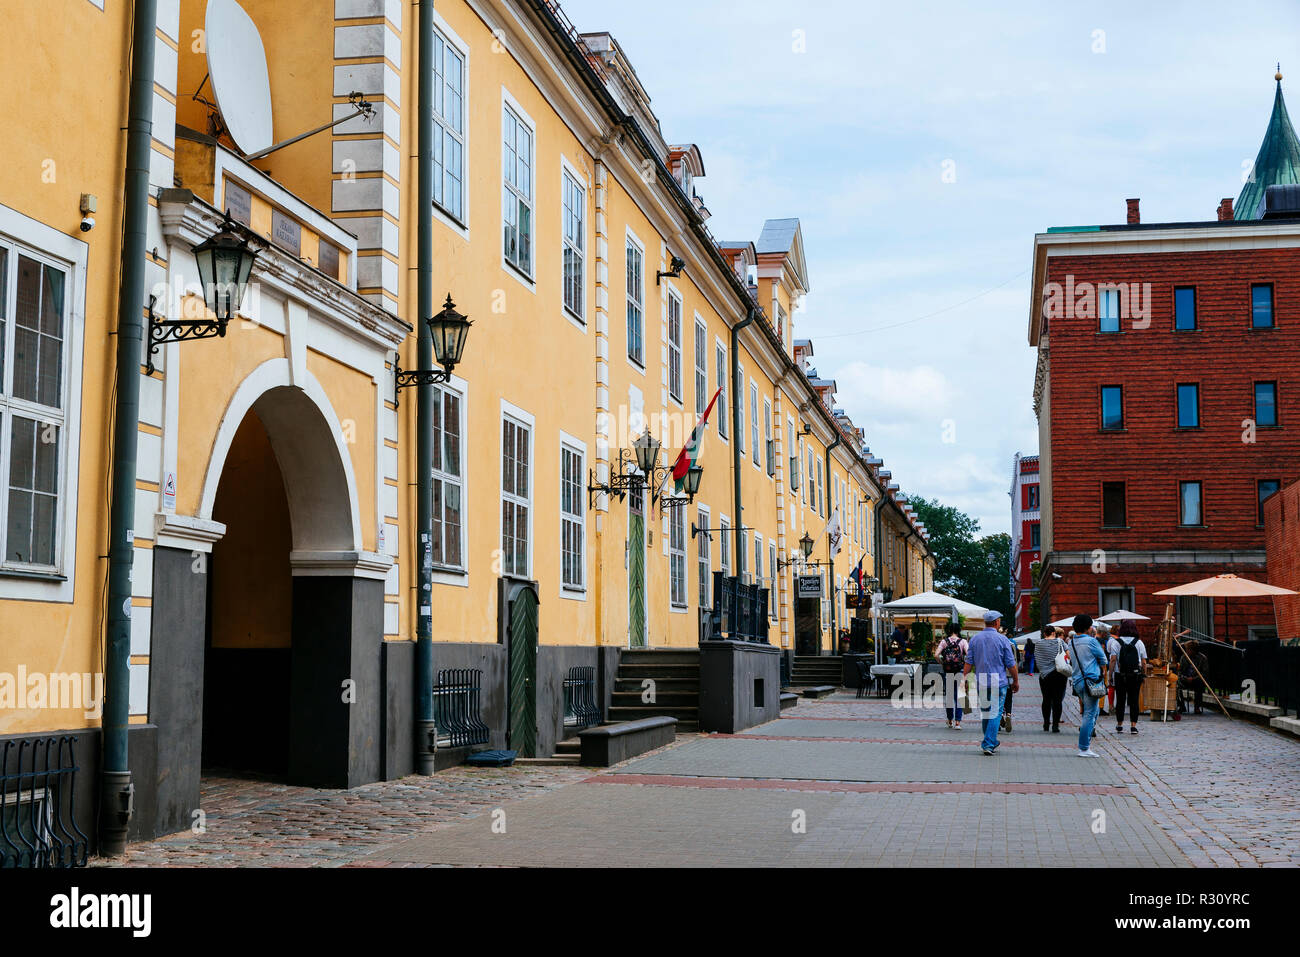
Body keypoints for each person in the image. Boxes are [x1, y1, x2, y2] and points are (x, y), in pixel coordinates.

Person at [962, 610, 1019, 756]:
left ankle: (991, 741)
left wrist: (964, 679)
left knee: (986, 713)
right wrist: (1016, 680)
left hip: (981, 682)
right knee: (995, 713)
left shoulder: (975, 639)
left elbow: (969, 662)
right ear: (996, 622)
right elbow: (1010, 663)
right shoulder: (1002, 639)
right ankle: (988, 743)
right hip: (998, 682)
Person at [1068, 614, 1109, 757]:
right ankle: (1084, 748)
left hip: (1078, 681)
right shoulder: (1091, 641)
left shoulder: (1071, 642)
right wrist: (1103, 671)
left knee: (1093, 711)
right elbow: (1103, 659)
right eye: (1091, 625)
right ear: (1087, 627)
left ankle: (1086, 743)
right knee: (1089, 714)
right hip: (1091, 681)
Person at [1108, 620, 1147, 735]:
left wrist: (1110, 675)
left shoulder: (1116, 642)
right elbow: (1144, 661)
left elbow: (1113, 660)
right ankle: (1133, 726)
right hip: (1135, 675)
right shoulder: (1139, 643)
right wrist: (1144, 674)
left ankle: (1119, 724)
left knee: (1120, 700)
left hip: (1120, 674)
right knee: (1134, 700)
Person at [1034, 625, 1067, 732]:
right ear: (1054, 633)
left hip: (1044, 675)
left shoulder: (1038, 643)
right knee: (1057, 700)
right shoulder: (1060, 642)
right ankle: (1055, 725)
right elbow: (1068, 654)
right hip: (1059, 674)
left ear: (1044, 633)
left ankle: (1046, 723)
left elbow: (1037, 658)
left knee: (1046, 699)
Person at [935, 622, 969, 729]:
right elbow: (968, 655)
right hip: (959, 671)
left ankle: (950, 721)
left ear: (950, 630)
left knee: (949, 697)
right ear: (959, 630)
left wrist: (942, 663)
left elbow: (936, 655)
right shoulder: (963, 641)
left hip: (948, 671)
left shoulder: (944, 641)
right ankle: (958, 722)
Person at [1093, 622, 1112, 717]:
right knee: (1102, 688)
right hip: (1101, 668)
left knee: (1098, 687)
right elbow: (1102, 657)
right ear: (1102, 633)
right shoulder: (1101, 642)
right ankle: (1099, 708)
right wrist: (1104, 670)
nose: (1106, 635)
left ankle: (1097, 707)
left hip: (1096, 668)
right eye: (1105, 633)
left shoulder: (1093, 640)